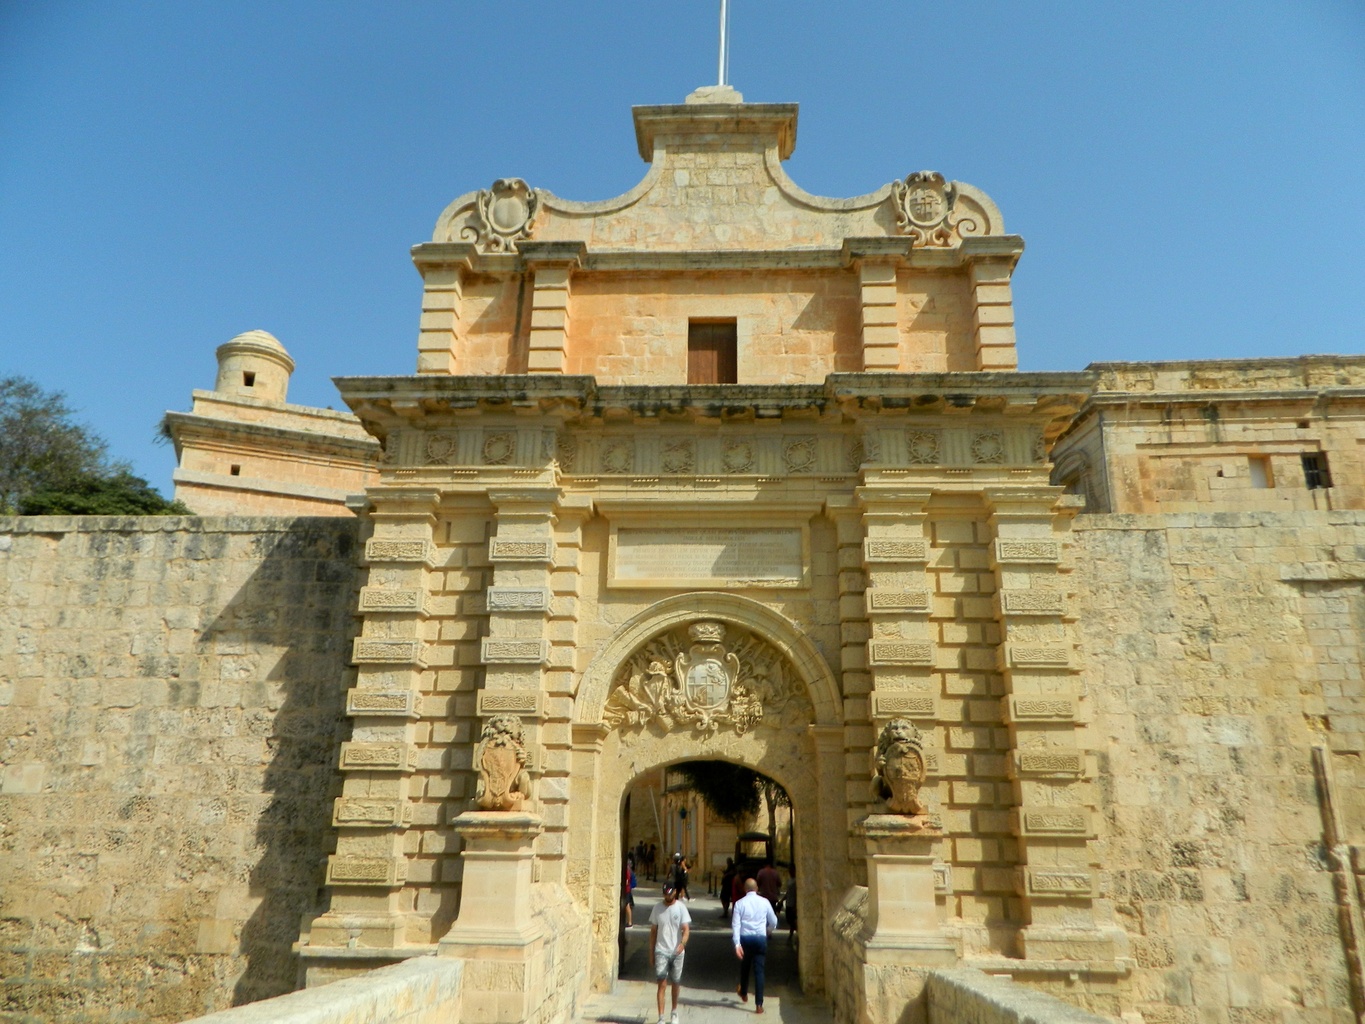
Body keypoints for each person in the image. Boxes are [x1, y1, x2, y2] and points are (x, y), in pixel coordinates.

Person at [731, 878, 778, 1013]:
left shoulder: (740, 904)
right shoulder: (764, 902)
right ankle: (759, 1004)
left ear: (745, 889)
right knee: (759, 971)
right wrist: (768, 931)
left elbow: (736, 925)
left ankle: (744, 992)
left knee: (745, 967)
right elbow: (773, 921)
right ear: (757, 888)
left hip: (745, 938)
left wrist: (737, 944)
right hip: (760, 938)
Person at [649, 882, 691, 1024]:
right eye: (665, 893)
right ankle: (661, 1017)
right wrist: (651, 952)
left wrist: (682, 944)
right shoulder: (657, 908)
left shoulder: (681, 908)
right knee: (661, 983)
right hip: (661, 950)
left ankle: (674, 1011)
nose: (667, 896)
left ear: (675, 893)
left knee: (676, 982)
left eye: (670, 893)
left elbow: (686, 929)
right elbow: (653, 931)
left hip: (677, 952)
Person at [622, 854, 637, 926]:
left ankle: (629, 922)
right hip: (627, 890)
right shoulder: (629, 870)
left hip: (626, 890)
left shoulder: (627, 871)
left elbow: (626, 881)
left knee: (627, 905)